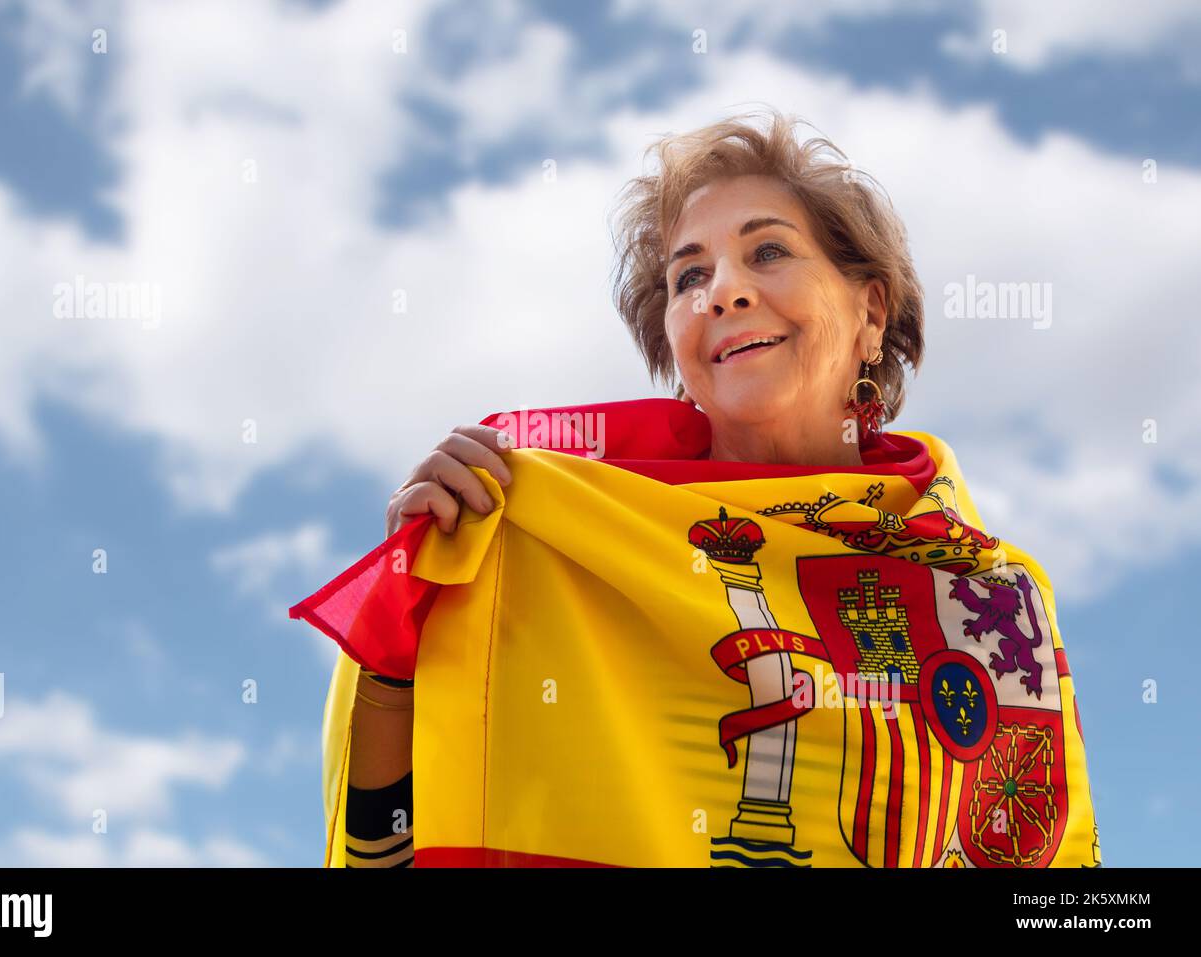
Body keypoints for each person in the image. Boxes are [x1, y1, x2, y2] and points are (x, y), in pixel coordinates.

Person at [323, 108, 1095, 868]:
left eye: (767, 252)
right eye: (689, 274)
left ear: (871, 308)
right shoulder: (565, 553)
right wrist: (400, 642)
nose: (723, 291)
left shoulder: (1000, 600)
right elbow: (391, 854)